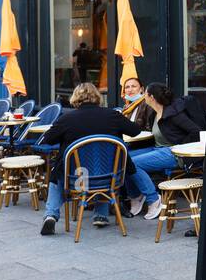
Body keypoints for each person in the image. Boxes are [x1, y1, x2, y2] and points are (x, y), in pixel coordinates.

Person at [39, 83, 144, 236]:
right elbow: (135, 131)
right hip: (110, 177)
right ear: (97, 97)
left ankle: (51, 215)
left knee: (58, 174)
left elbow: (47, 139)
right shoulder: (112, 115)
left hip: (77, 178)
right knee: (101, 166)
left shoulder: (67, 118)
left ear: (75, 98)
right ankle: (100, 215)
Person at [126, 83, 206, 219]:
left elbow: (196, 131)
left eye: (145, 94)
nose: (143, 97)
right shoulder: (154, 113)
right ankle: (136, 196)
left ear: (151, 97)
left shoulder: (173, 114)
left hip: (173, 153)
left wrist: (179, 147)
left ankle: (153, 199)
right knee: (124, 157)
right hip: (159, 149)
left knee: (133, 163)